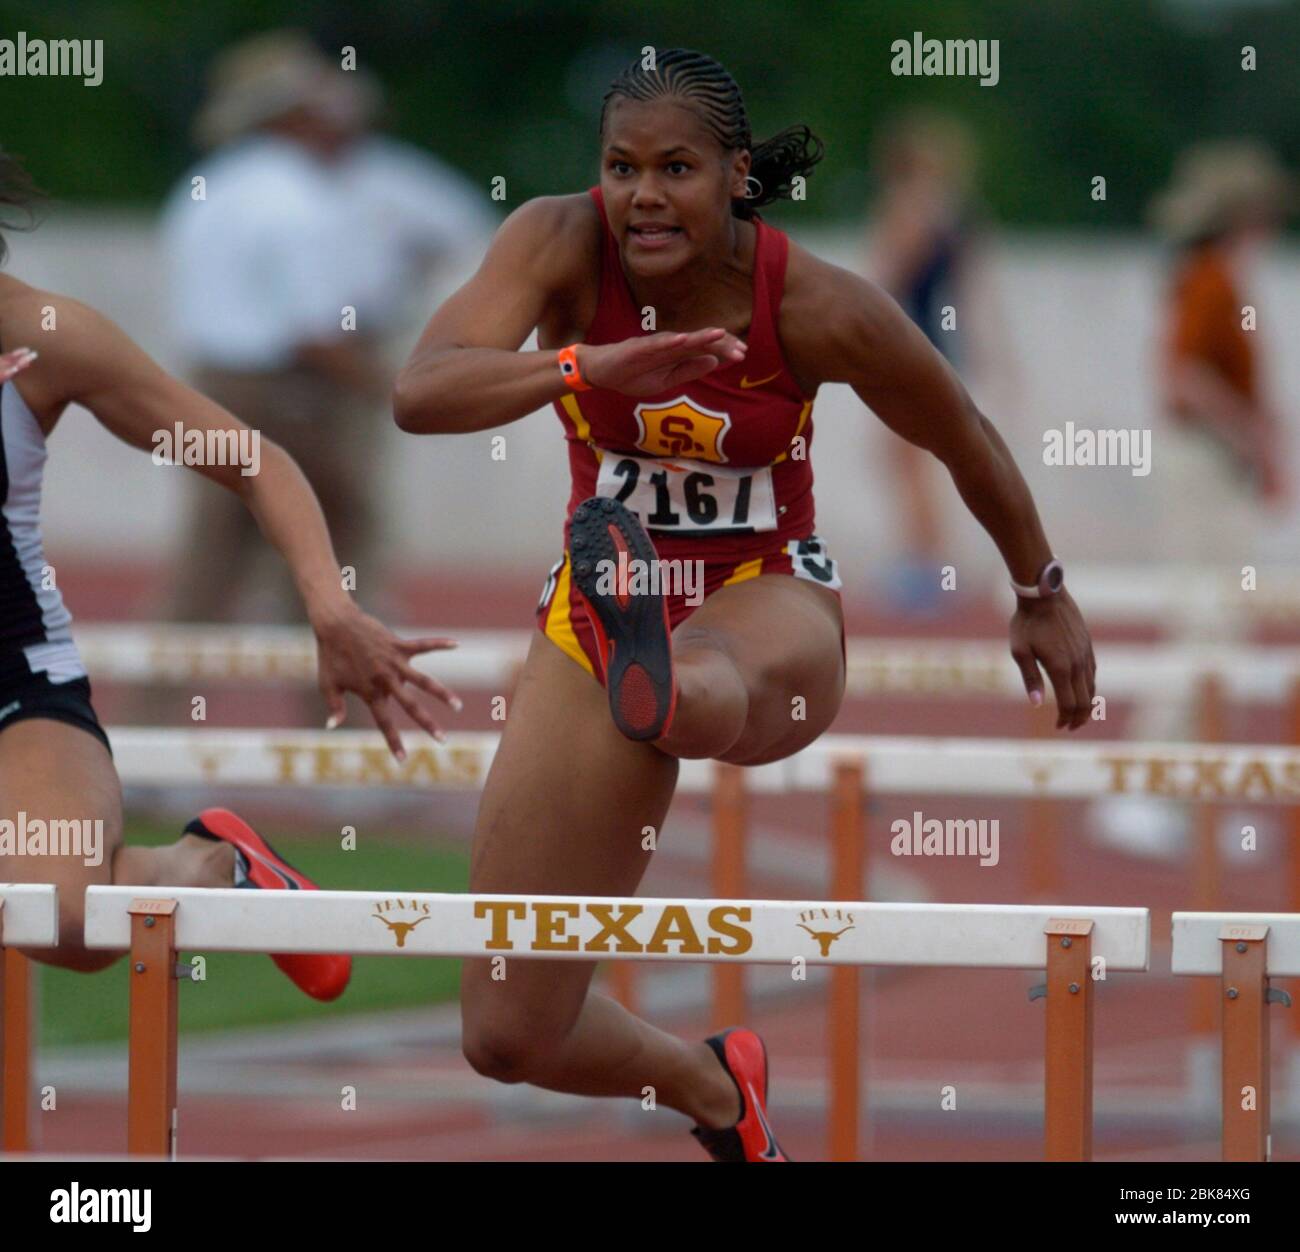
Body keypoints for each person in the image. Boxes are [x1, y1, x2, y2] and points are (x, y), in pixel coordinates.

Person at [395, 48, 1095, 1162]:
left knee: (692, 679)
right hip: (599, 603)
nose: (643, 196)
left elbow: (957, 429)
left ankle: (662, 677)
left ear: (735, 176)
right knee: (506, 1033)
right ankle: (714, 1086)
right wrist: (587, 369)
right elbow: (422, 390)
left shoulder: (813, 303)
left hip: (765, 594)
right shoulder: (556, 241)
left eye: (676, 168)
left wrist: (1038, 589)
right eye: (621, 166)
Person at [0, 148, 460, 996]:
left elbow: (253, 462)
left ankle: (212, 866)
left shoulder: (42, 338)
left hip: (17, 688)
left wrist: (331, 609)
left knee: (63, 919)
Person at [159, 29, 494, 628]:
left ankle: (146, 711)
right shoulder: (300, 197)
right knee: (337, 545)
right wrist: (396, 387)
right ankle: (346, 705)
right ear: (293, 115)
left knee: (211, 553)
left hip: (210, 386)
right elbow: (315, 335)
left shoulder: (201, 189)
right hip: (295, 392)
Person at [1090, 140, 1294, 858]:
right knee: (1206, 626)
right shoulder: (1209, 280)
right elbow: (1181, 378)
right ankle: (1143, 786)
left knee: (1221, 629)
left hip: (1214, 464)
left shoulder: (1214, 277)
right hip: (1203, 464)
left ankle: (1191, 791)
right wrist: (1252, 438)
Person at [863, 111, 1016, 616]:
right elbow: (977, 293)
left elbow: (886, 279)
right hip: (935, 346)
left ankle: (927, 564)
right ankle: (932, 561)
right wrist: (994, 355)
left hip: (907, 346)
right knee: (917, 460)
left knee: (905, 460)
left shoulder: (910, 210)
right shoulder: (957, 214)